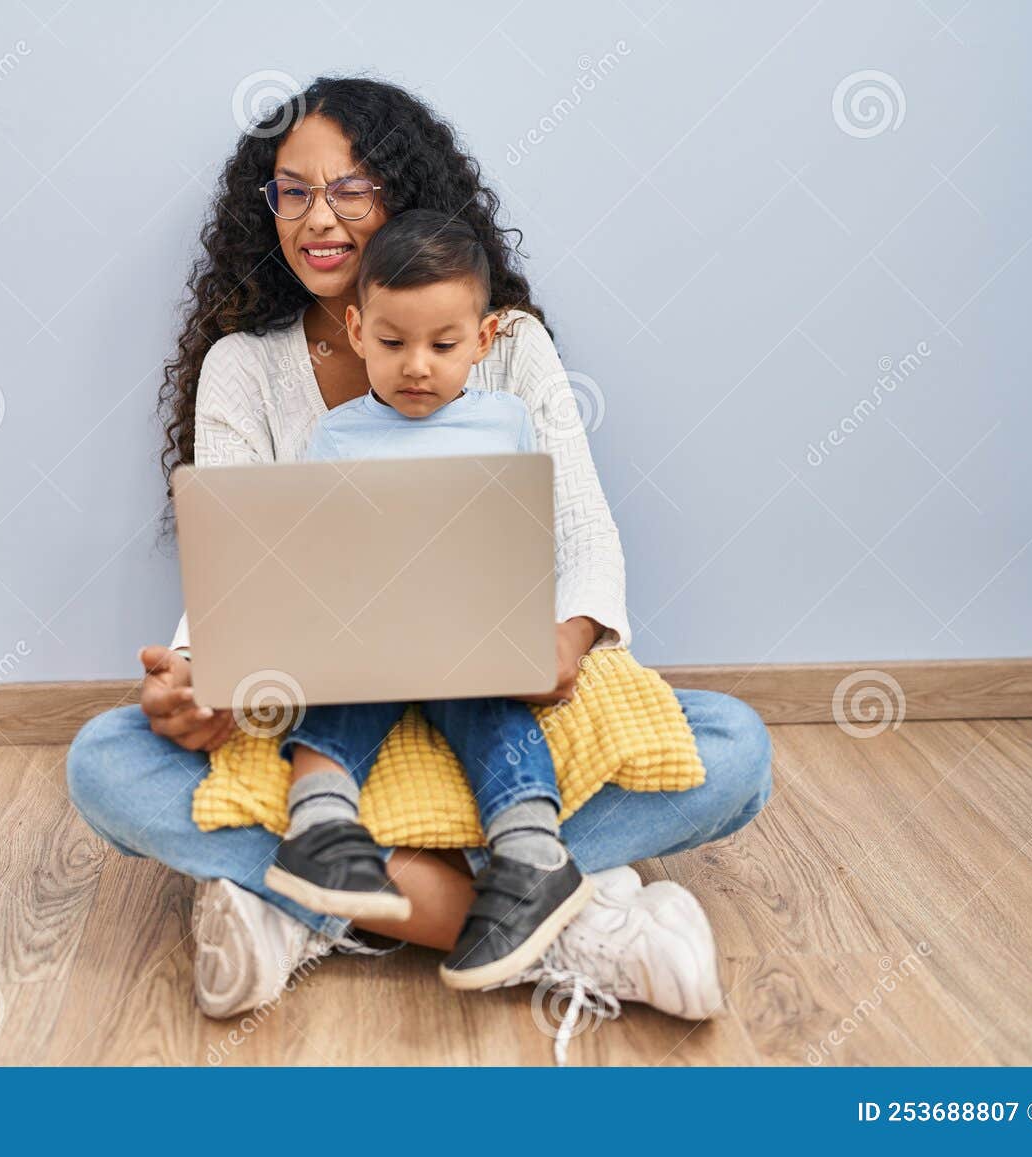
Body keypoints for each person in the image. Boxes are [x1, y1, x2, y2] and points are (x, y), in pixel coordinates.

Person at [66, 76, 773, 1030]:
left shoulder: (507, 345)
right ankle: (568, 927)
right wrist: (200, 674)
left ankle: (311, 911)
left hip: (498, 701)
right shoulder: (246, 364)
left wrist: (562, 645)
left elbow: (582, 532)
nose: (319, 217)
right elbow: (236, 565)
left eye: (351, 188)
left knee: (732, 746)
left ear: (402, 192)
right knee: (107, 760)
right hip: (326, 714)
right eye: (293, 190)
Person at [265, 209, 594, 991]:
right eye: (392, 343)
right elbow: (310, 556)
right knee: (335, 690)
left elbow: (532, 537)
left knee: (490, 704)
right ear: (355, 328)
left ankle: (530, 852)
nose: (417, 366)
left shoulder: (506, 420)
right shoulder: (336, 438)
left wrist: (536, 624)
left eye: (444, 346)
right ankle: (321, 829)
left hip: (473, 638)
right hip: (369, 638)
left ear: (482, 341)